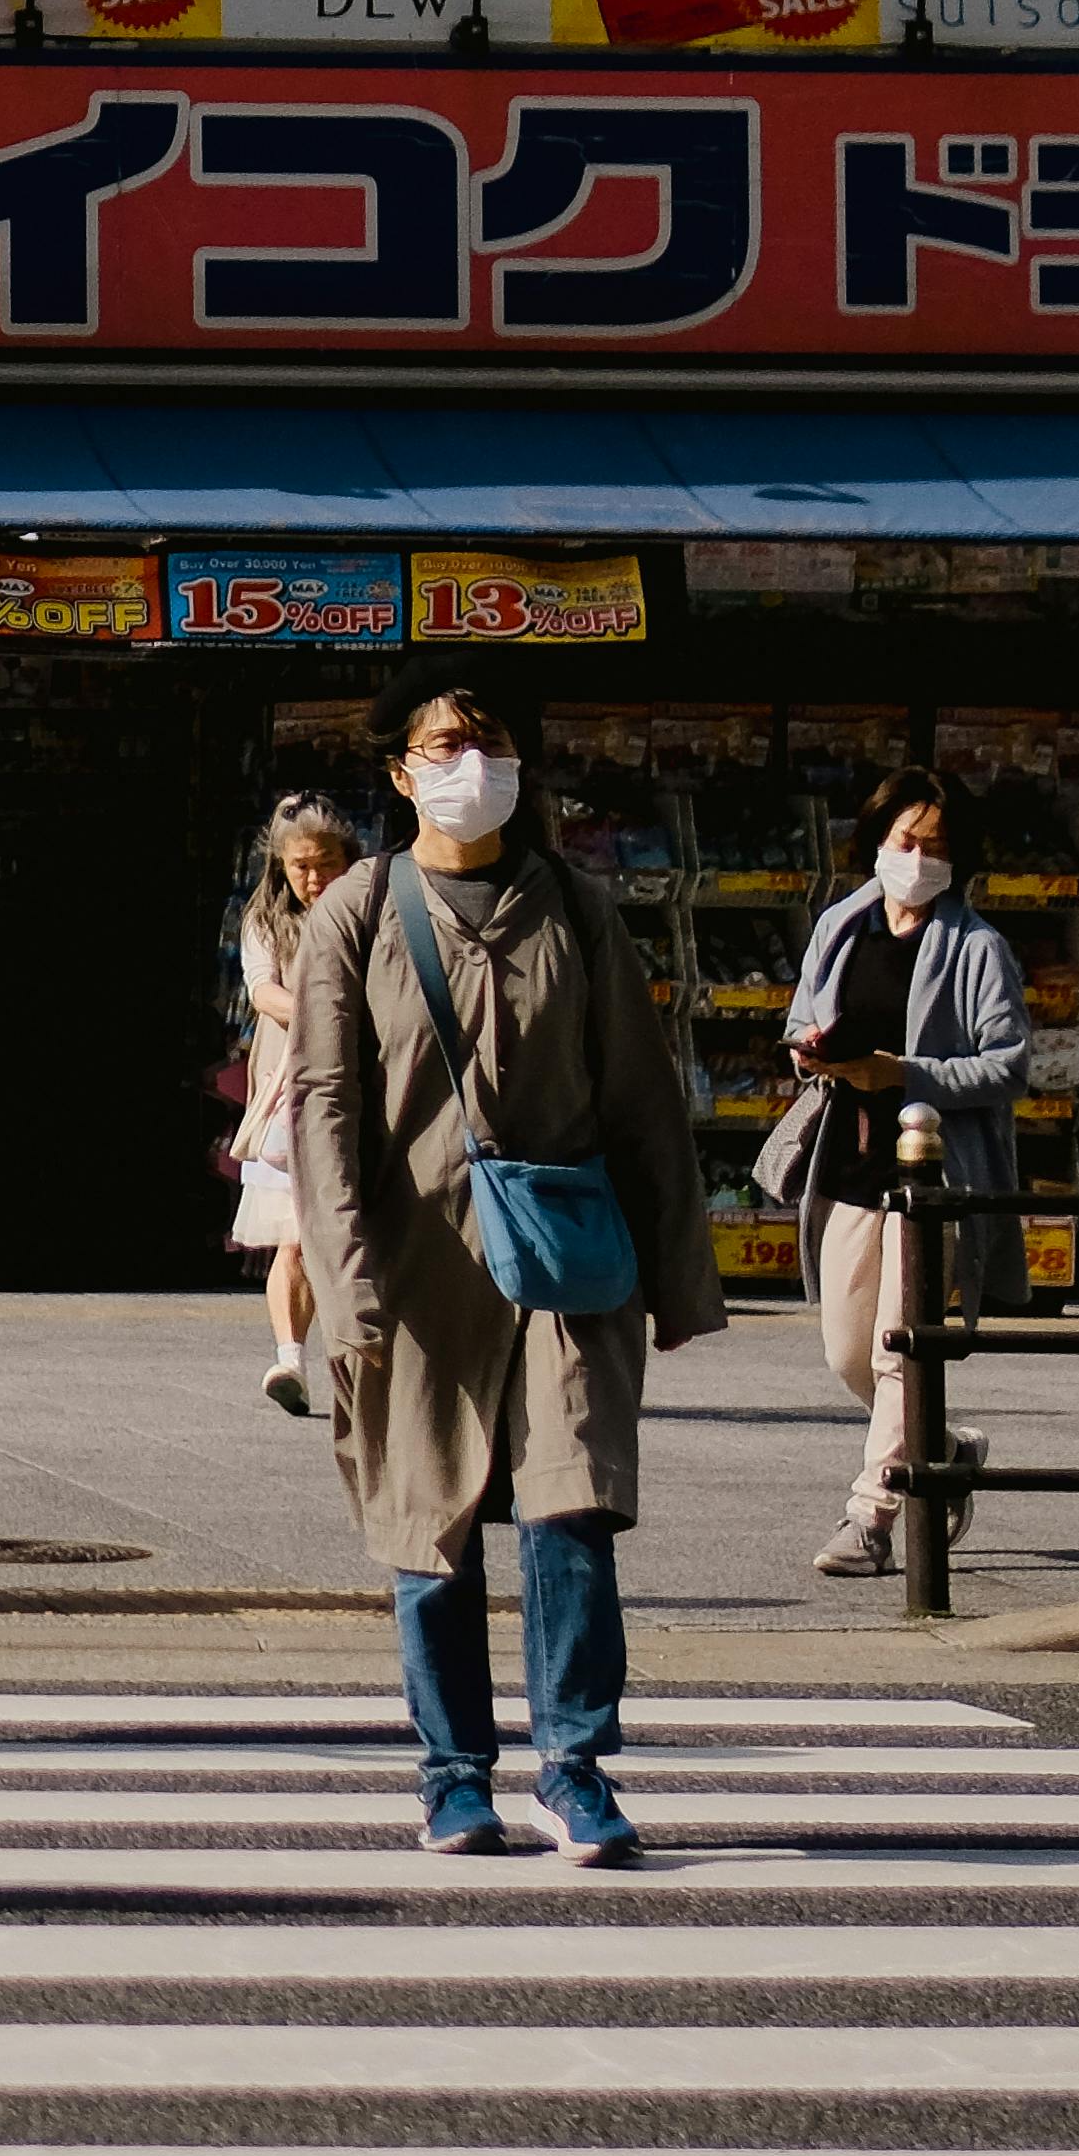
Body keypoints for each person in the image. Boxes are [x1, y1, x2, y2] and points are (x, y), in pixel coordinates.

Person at [285, 682, 726, 1860]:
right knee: (428, 1518)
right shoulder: (358, 910)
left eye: (489, 742)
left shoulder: (575, 908)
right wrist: (343, 1271)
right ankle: (452, 1771)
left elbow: (640, 1101)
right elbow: (320, 1100)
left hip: (566, 1251)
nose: (468, 761)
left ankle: (573, 1766)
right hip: (411, 1256)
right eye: (444, 743)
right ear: (397, 771)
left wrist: (677, 1277)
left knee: (569, 1503)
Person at [769, 764, 1027, 1576]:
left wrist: (902, 1072)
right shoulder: (841, 926)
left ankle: (871, 1516)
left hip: (934, 1177)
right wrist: (816, 1052)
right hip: (848, 1160)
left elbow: (1009, 1064)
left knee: (896, 1353)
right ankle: (943, 1446)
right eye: (907, 840)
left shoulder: (978, 946)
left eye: (938, 845)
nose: (919, 857)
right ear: (878, 840)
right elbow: (801, 1017)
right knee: (848, 1351)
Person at [228, 792, 363, 1413]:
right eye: (300, 866)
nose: (313, 878)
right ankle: (290, 1360)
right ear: (280, 866)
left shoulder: (373, 908)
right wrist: (333, 1016)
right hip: (295, 1091)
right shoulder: (266, 922)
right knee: (298, 1235)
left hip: (370, 1085)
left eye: (325, 863)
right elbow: (263, 993)